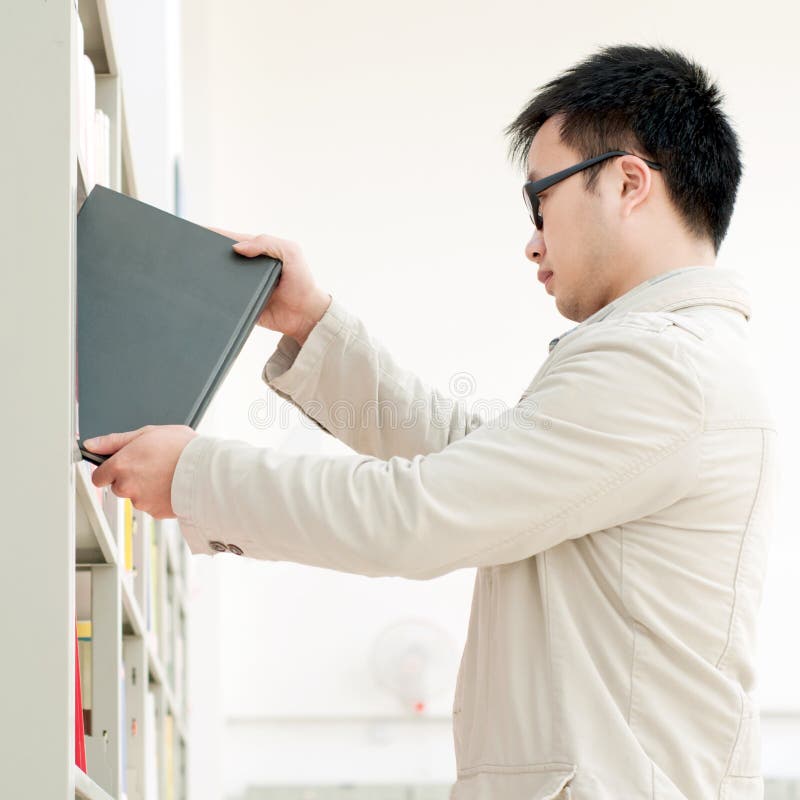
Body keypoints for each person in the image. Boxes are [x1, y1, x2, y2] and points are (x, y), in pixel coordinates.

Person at [86, 44, 777, 799]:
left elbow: (415, 513)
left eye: (539, 197)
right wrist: (314, 326)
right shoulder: (673, 359)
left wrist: (195, 475)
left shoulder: (662, 365)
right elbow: (470, 460)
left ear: (627, 182)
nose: (534, 238)